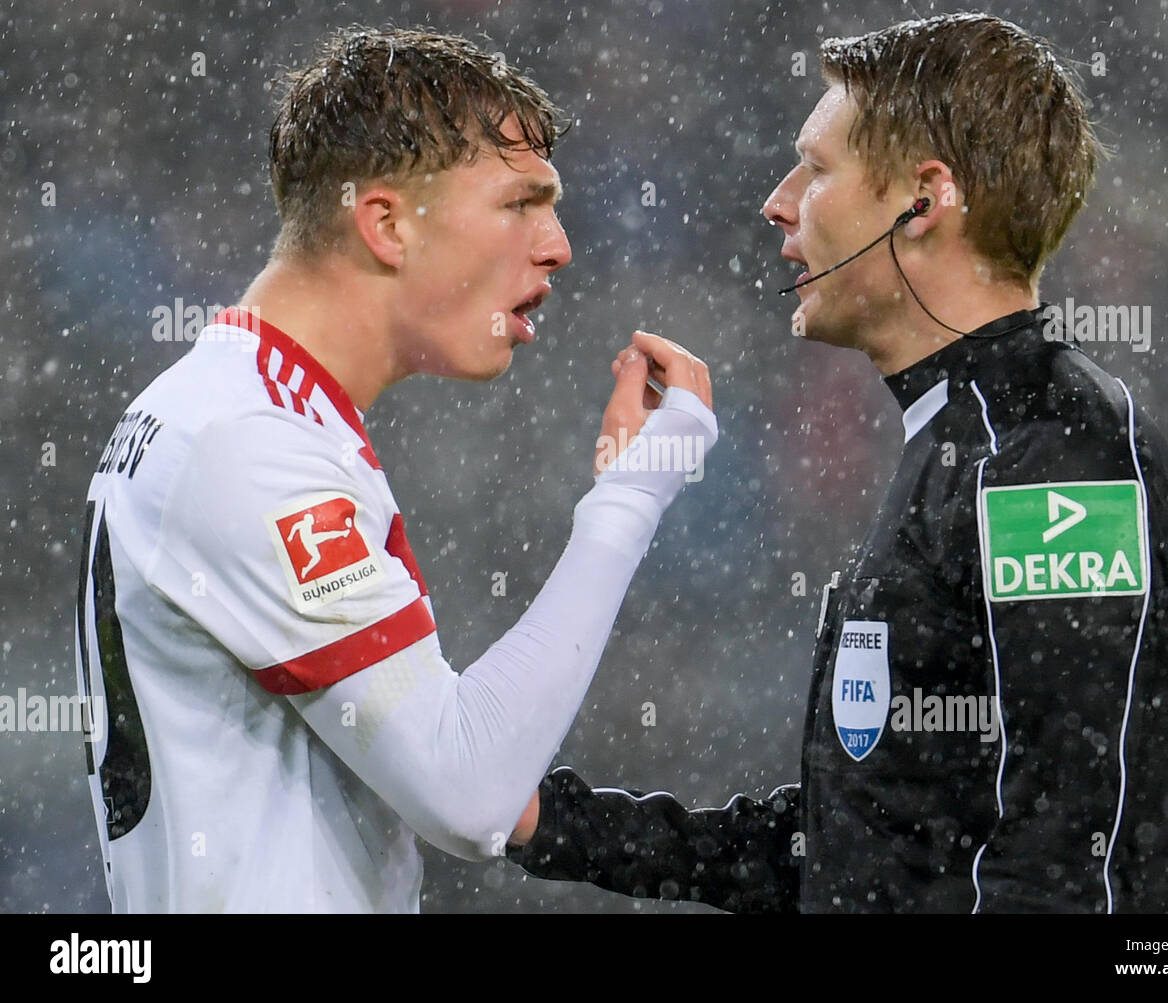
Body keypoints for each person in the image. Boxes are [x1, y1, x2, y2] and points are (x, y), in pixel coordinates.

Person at [508, 13, 1168, 913]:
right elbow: (860, 851)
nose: (780, 200)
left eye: (818, 168)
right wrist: (546, 821)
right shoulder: (961, 434)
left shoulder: (1057, 453)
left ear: (925, 200)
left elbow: (1075, 864)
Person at [72, 26, 717, 913]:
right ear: (384, 223)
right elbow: (470, 791)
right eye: (520, 204)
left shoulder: (235, 404)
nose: (560, 244)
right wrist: (629, 497)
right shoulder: (248, 441)